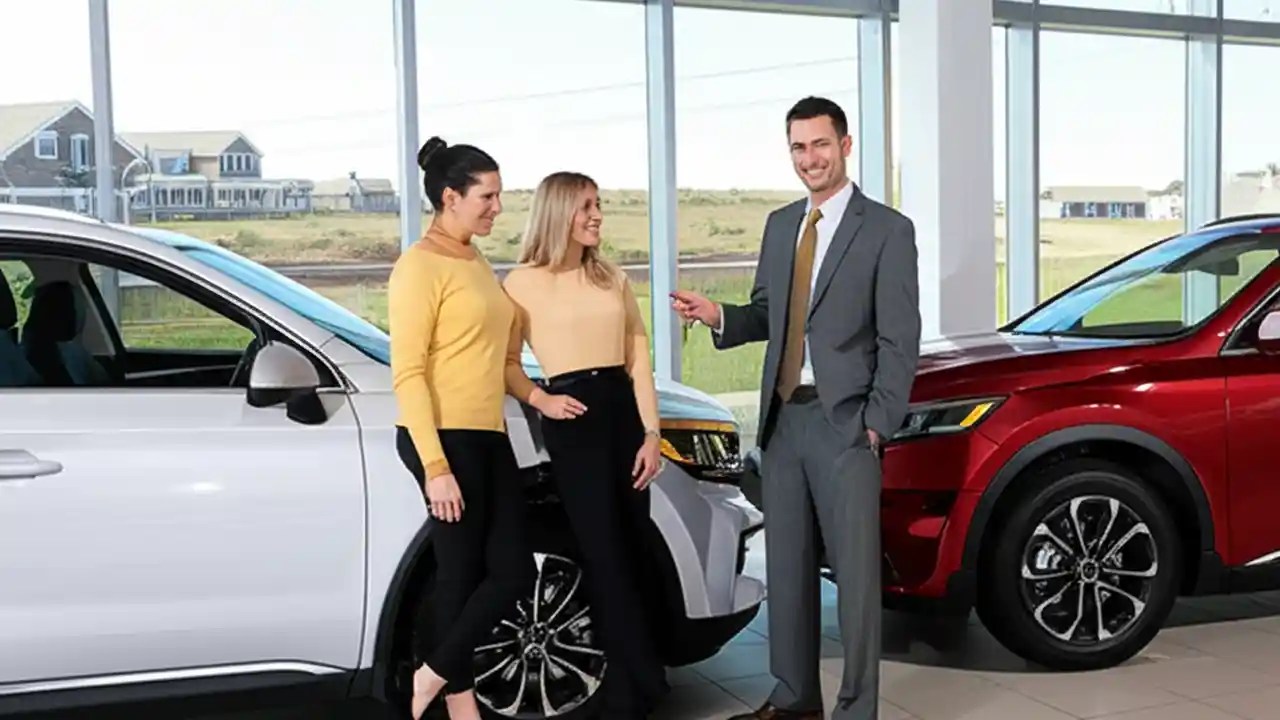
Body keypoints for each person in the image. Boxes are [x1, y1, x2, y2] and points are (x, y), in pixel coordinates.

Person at [672, 96, 921, 720]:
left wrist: (875, 424)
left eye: (820, 144)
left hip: (846, 427)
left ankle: (856, 709)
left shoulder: (888, 230)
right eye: (798, 147)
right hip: (784, 424)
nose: (809, 158)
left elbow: (900, 339)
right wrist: (719, 317)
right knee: (787, 571)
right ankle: (793, 699)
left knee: (857, 584)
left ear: (845, 145)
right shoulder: (782, 225)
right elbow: (767, 312)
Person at [502, 171, 670, 719]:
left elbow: (638, 357)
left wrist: (652, 433)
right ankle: (623, 690)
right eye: (586, 207)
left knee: (635, 546)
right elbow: (506, 363)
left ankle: (645, 682)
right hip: (572, 421)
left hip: (623, 415)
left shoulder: (612, 277)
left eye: (598, 205)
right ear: (558, 214)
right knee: (601, 554)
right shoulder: (520, 283)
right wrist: (540, 399)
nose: (597, 215)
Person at [389, 136, 536, 720]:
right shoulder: (418, 266)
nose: (497, 206)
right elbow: (409, 372)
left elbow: (498, 361)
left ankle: (435, 676)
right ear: (451, 197)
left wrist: (538, 397)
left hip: (487, 434)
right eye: (488, 195)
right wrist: (436, 467)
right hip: (443, 437)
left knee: (510, 571)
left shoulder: (472, 259)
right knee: (459, 574)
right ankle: (450, 698)